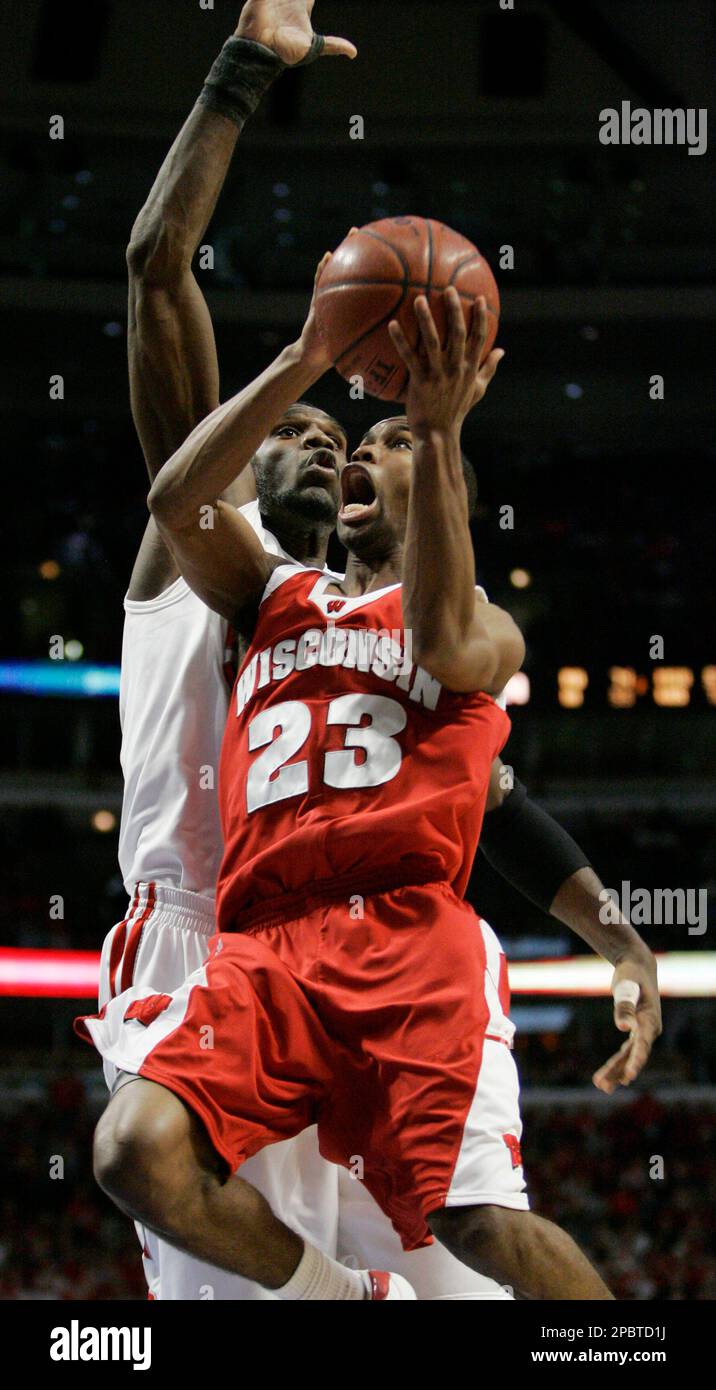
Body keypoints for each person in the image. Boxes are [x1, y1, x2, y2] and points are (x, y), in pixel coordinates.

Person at [80, 281, 642, 1301]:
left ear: (441, 489)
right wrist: (307, 347)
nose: (356, 451)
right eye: (363, 441)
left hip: (407, 936)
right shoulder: (270, 592)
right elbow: (177, 498)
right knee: (132, 1154)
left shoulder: (477, 622)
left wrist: (436, 433)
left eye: (382, 443)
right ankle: (345, 1301)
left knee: (478, 1230)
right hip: (262, 948)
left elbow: (465, 706)